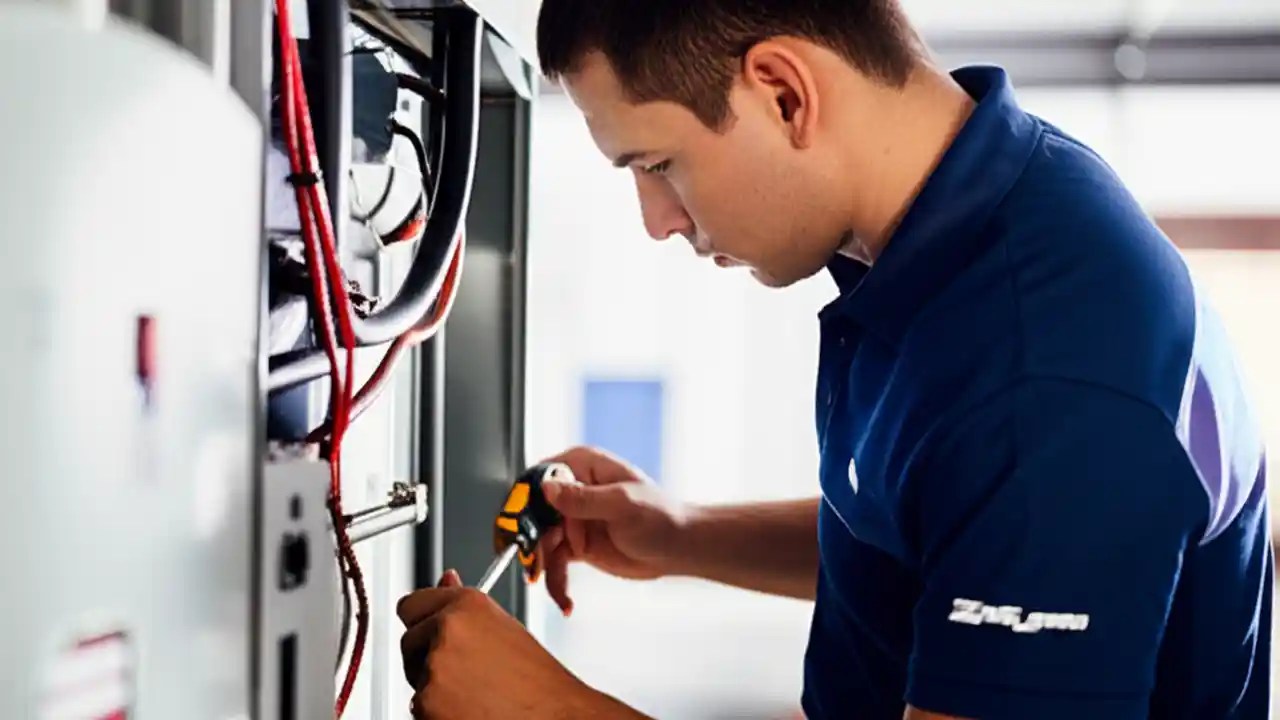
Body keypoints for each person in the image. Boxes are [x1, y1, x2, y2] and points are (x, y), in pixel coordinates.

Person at [396, 1, 1273, 718]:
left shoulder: (1045, 369)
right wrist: (681, 533)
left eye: (659, 162)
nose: (656, 219)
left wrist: (550, 711)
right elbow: (957, 539)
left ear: (784, 93)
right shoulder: (982, 220)